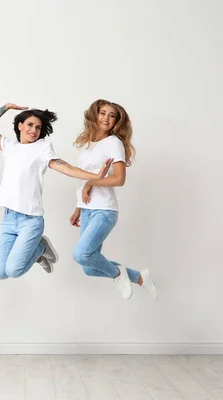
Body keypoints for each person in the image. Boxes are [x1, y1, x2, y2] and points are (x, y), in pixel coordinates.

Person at [0, 103, 112, 280]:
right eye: (30, 125)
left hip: (30, 221)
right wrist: (7, 107)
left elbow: (65, 167)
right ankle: (40, 250)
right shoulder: (9, 145)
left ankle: (40, 247)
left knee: (13, 271)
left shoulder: (42, 148)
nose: (34, 130)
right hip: (9, 218)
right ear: (20, 125)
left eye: (38, 127)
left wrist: (94, 175)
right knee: (0, 273)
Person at [70, 99, 158, 300]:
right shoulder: (89, 145)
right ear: (95, 114)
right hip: (87, 210)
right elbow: (84, 178)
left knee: (80, 255)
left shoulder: (113, 143)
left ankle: (118, 274)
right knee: (89, 268)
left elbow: (119, 179)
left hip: (104, 211)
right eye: (103, 113)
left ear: (117, 122)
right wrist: (78, 208)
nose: (106, 118)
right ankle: (141, 278)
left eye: (112, 115)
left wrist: (91, 182)